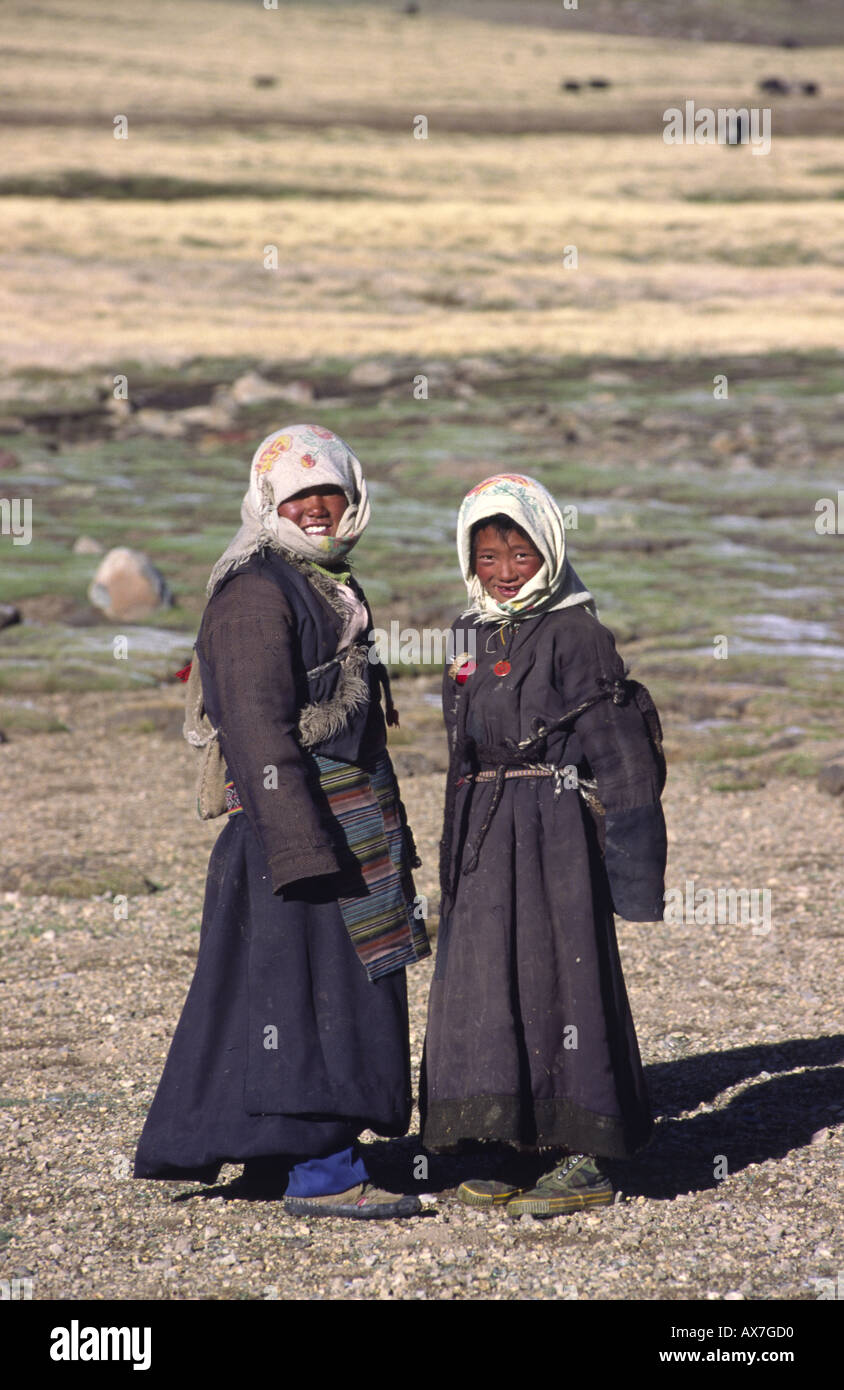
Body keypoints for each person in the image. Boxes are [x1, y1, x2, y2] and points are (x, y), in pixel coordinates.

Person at [134, 423, 430, 1219]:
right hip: (292, 835)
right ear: (269, 501)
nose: (319, 508)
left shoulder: (321, 581)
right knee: (308, 996)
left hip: (328, 822)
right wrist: (300, 847)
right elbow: (257, 729)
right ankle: (324, 1170)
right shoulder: (255, 594)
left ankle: (270, 1154)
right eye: (299, 495)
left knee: (273, 997)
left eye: (330, 492)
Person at [419, 473, 666, 1217]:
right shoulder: (465, 634)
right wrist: (451, 853)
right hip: (485, 834)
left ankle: (582, 1155)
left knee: (563, 976)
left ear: (550, 549)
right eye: (487, 555)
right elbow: (458, 753)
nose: (501, 570)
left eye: (518, 554)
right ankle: (508, 1141)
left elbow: (623, 756)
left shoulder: (579, 633)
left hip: (557, 833)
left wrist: (634, 873)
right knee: (487, 981)